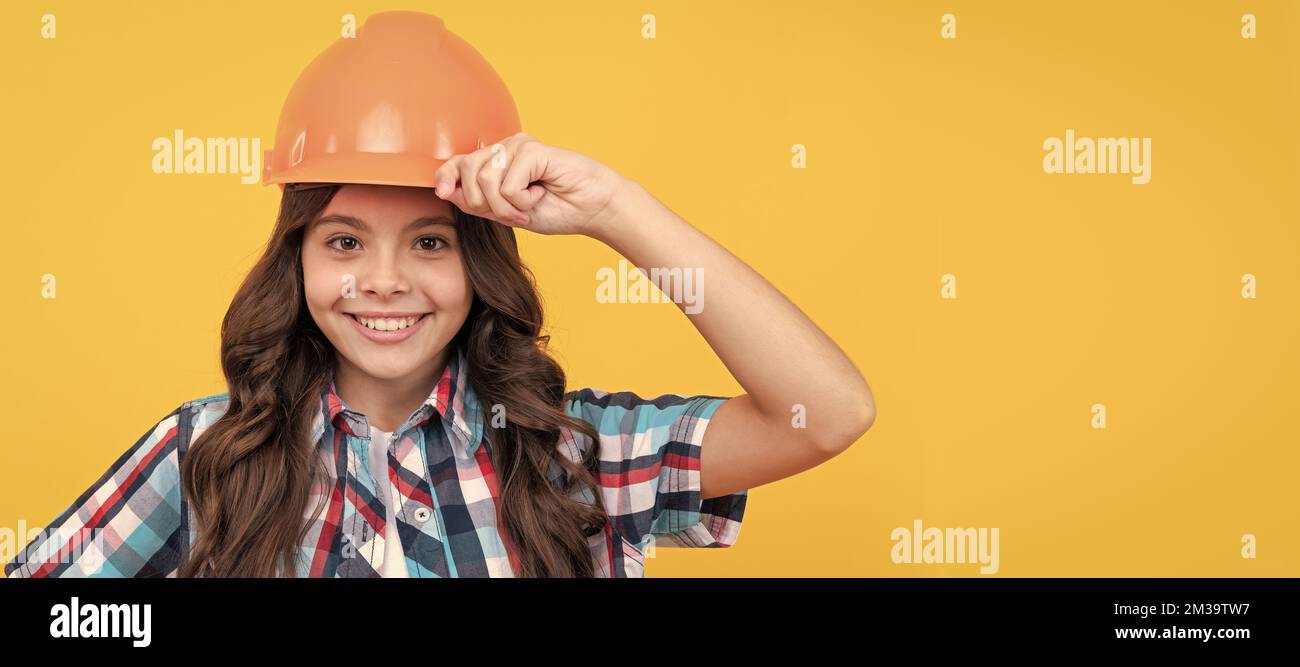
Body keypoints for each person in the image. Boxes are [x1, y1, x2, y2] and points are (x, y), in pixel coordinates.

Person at [3, 11, 874, 578]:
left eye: (430, 241)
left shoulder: (574, 455)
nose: (384, 279)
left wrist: (616, 206)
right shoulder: (205, 451)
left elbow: (829, 412)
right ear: (296, 258)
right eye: (344, 240)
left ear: (480, 264)